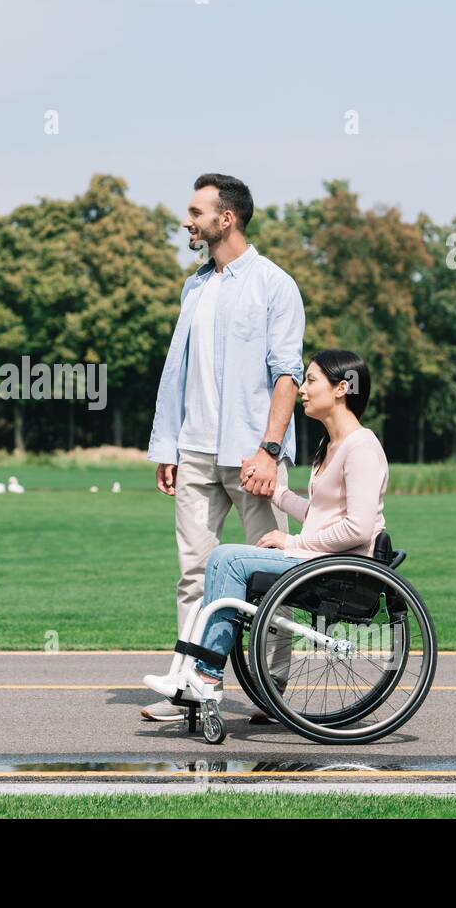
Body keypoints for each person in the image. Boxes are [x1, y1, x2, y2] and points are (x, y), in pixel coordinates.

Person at [142, 173, 305, 722]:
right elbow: (179, 374)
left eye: (195, 212)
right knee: (194, 573)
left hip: (253, 455)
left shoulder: (274, 285)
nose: (187, 221)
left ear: (225, 218)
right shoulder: (194, 286)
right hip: (194, 452)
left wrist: (269, 449)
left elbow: (287, 376)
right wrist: (168, 445)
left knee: (271, 573)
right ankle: (189, 683)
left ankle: (274, 688)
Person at [144, 349, 388, 710]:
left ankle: (206, 673)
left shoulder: (362, 447)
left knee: (227, 559)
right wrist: (276, 492)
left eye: (310, 380)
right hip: (318, 559)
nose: (302, 390)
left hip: (340, 568)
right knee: (221, 558)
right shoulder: (331, 446)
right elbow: (321, 515)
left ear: (341, 388)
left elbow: (358, 528)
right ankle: (199, 670)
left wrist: (292, 541)